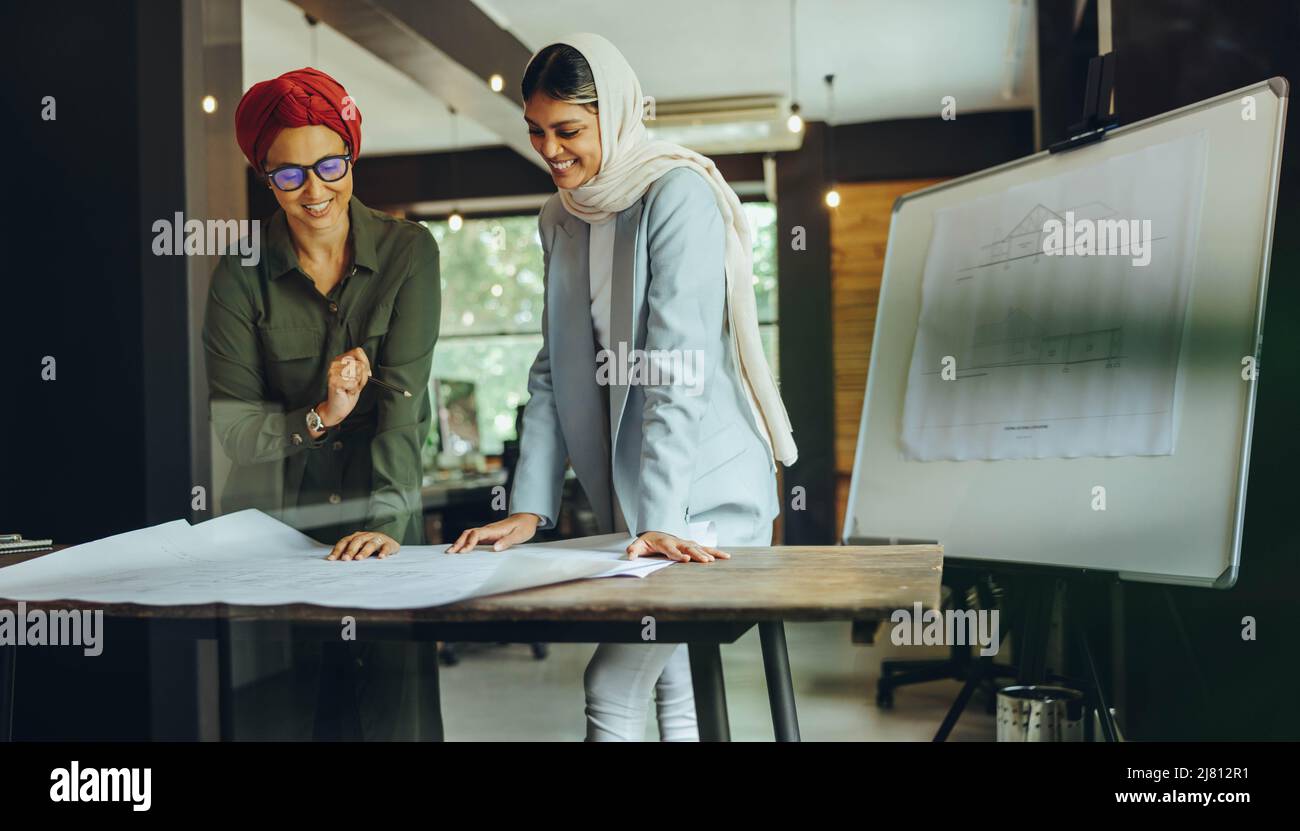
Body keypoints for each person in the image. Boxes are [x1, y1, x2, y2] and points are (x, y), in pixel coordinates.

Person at [448, 34, 798, 741]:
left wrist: (662, 519)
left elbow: (676, 368)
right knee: (672, 683)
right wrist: (530, 506)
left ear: (617, 115)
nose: (550, 149)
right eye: (538, 131)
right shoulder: (559, 216)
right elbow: (552, 368)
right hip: (638, 498)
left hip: (707, 495)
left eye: (568, 130)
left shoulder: (678, 194)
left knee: (612, 679)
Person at [203, 67, 441, 738]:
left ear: (352, 153)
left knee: (391, 723)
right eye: (289, 174)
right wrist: (322, 416)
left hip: (383, 534)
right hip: (276, 544)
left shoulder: (409, 253)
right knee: (282, 724)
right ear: (265, 175)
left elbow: (401, 402)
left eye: (330, 164)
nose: (315, 190)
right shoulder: (239, 274)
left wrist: (390, 526)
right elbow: (237, 431)